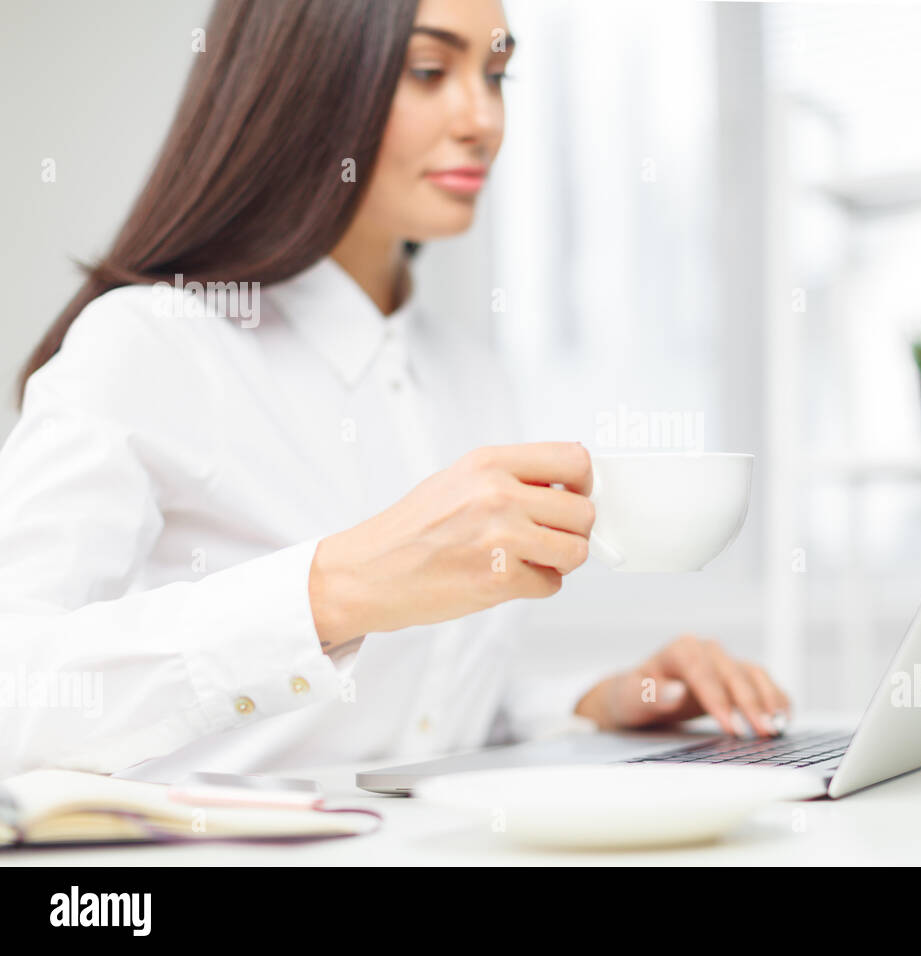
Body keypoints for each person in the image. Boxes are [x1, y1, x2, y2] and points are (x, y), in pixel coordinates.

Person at [0, 0, 789, 780]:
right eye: (428, 70)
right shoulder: (153, 342)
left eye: (497, 74)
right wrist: (334, 590)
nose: (483, 120)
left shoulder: (467, 373)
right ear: (305, 82)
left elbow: (420, 710)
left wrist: (603, 702)